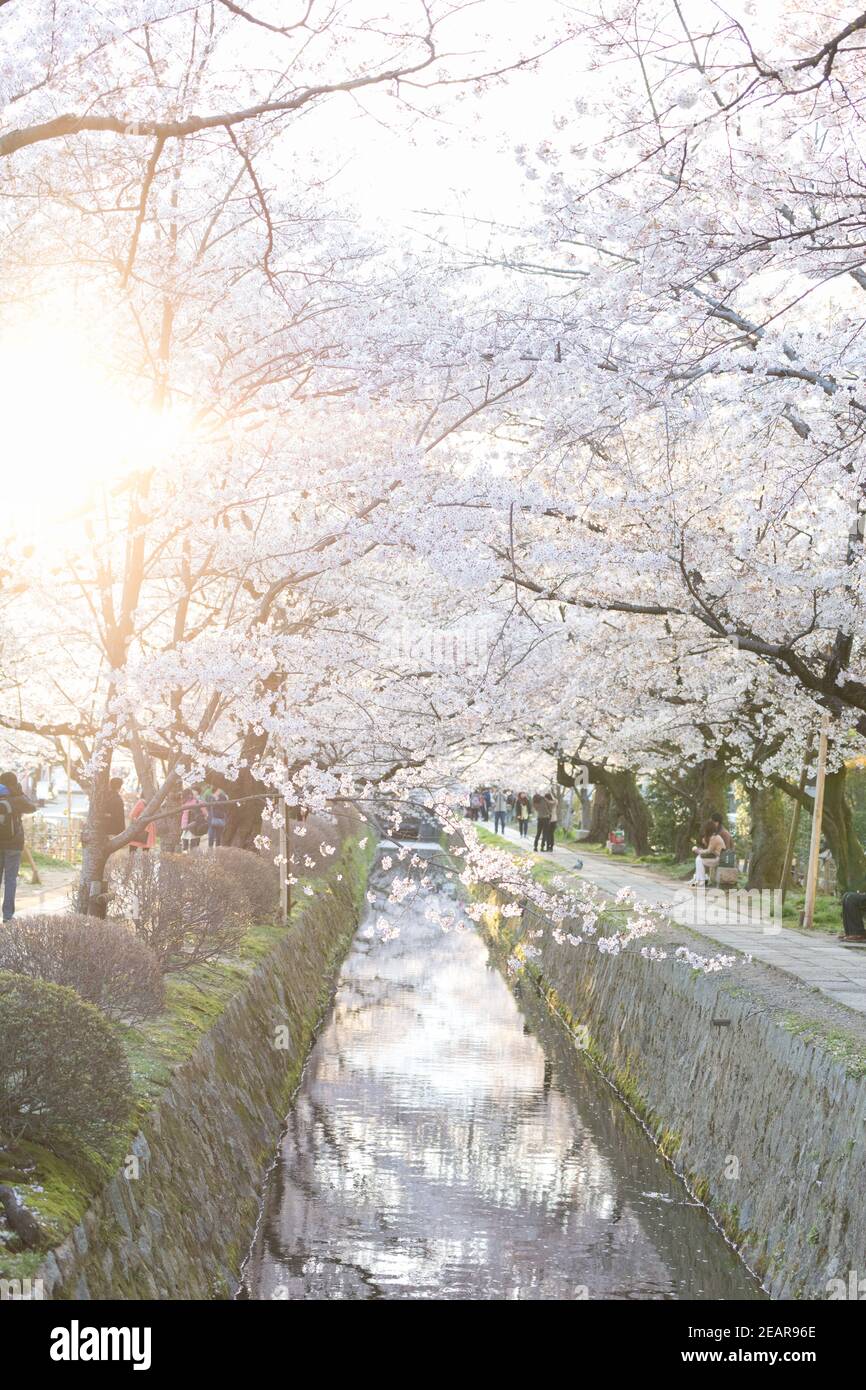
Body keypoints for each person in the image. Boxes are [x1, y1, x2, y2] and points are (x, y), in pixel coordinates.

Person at [0, 770, 37, 922]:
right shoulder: (17, 798)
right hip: (14, 844)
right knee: (10, 880)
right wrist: (20, 792)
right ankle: (8, 916)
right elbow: (32, 807)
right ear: (14, 783)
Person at [691, 820, 726, 886]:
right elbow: (710, 850)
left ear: (708, 829)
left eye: (705, 828)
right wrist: (701, 850)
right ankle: (699, 879)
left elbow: (709, 851)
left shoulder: (714, 837)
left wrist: (698, 851)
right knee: (699, 858)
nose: (704, 830)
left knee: (699, 859)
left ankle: (701, 880)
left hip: (719, 859)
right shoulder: (714, 836)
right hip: (717, 857)